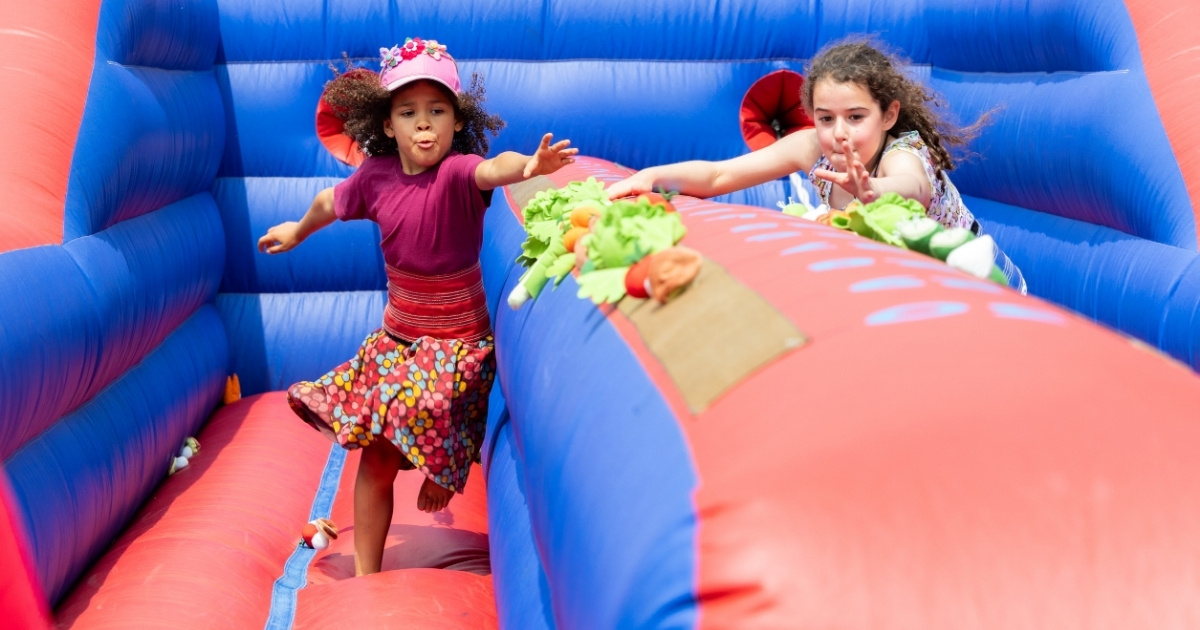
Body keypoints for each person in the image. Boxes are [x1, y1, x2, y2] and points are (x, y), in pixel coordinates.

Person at [257, 38, 578, 575]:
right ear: (387, 126)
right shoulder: (374, 178)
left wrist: (530, 166)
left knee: (417, 403)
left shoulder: (457, 173)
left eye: (437, 111)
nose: (423, 123)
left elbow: (494, 169)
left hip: (456, 348)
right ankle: (367, 574)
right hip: (399, 341)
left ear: (457, 121)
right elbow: (327, 202)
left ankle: (443, 466)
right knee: (376, 455)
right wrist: (296, 230)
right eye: (408, 113)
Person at [607, 38, 1026, 293]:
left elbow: (911, 186)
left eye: (856, 117)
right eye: (826, 118)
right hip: (917, 283)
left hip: (979, 275)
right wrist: (652, 176)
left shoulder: (901, 153)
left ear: (889, 115)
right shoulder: (812, 148)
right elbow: (721, 174)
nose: (839, 133)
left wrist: (872, 191)